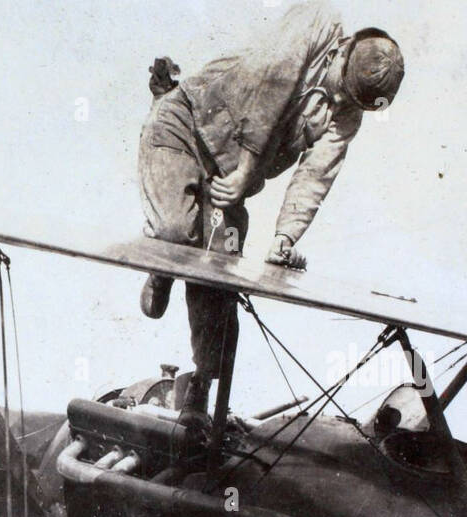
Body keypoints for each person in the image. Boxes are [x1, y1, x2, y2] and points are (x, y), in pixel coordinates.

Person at [138, 3, 404, 420]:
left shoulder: (346, 113)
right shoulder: (316, 23)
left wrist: (285, 237)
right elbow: (270, 88)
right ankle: (161, 268)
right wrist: (247, 168)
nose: (338, 100)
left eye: (350, 99)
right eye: (340, 86)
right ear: (344, 49)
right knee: (175, 234)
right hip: (183, 126)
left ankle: (200, 392)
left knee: (220, 278)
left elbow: (316, 174)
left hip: (226, 182)